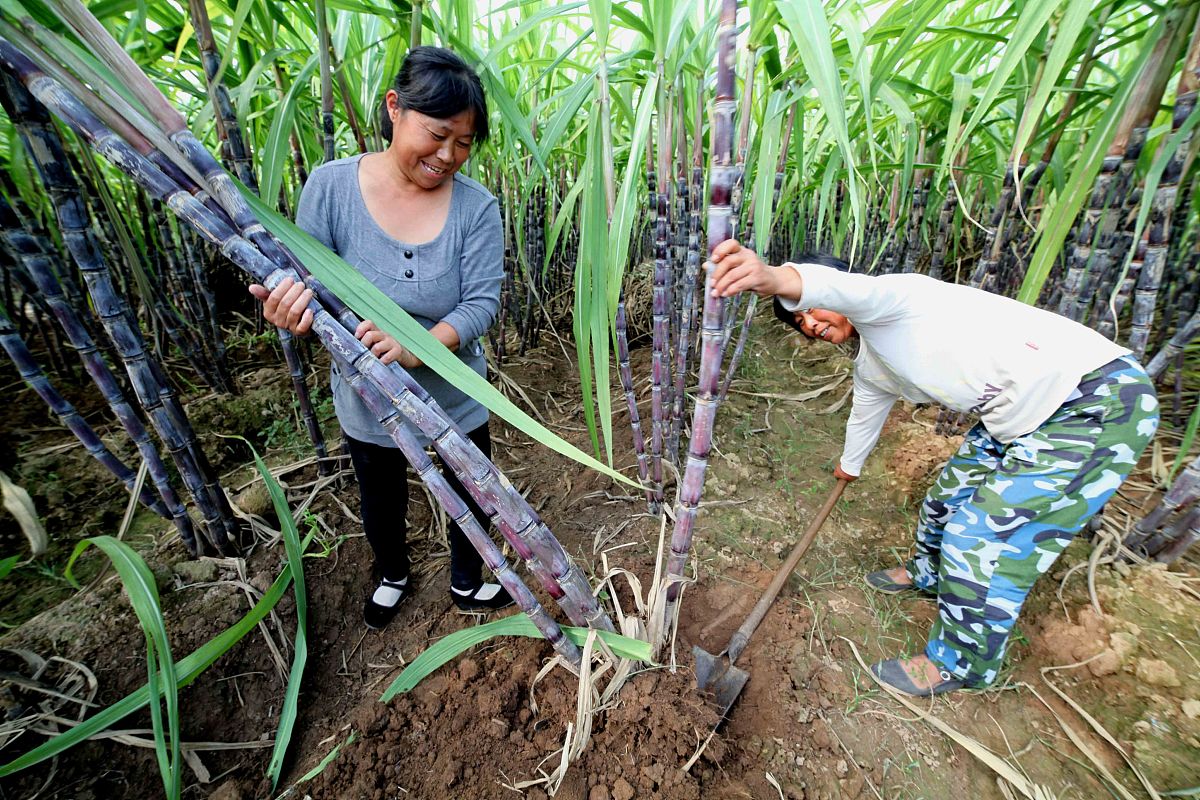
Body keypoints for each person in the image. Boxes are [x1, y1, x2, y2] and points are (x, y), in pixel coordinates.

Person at [708, 240, 1159, 696]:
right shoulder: (874, 363)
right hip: (1017, 416)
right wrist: (849, 466)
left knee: (981, 537)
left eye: (809, 308)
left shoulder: (895, 298)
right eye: (800, 323)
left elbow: (848, 291)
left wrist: (772, 279)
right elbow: (866, 411)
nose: (809, 323)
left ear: (839, 291)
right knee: (945, 500)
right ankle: (931, 573)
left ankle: (962, 664)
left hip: (1091, 401)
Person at [250, 46, 512, 629]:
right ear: (395, 108)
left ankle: (469, 581)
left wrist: (418, 347)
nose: (448, 156)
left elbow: (481, 304)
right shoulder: (331, 188)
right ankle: (393, 572)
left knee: (471, 493)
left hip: (454, 396)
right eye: (438, 133)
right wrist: (288, 308)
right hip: (368, 401)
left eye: (464, 143)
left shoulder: (477, 209)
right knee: (381, 501)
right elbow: (303, 285)